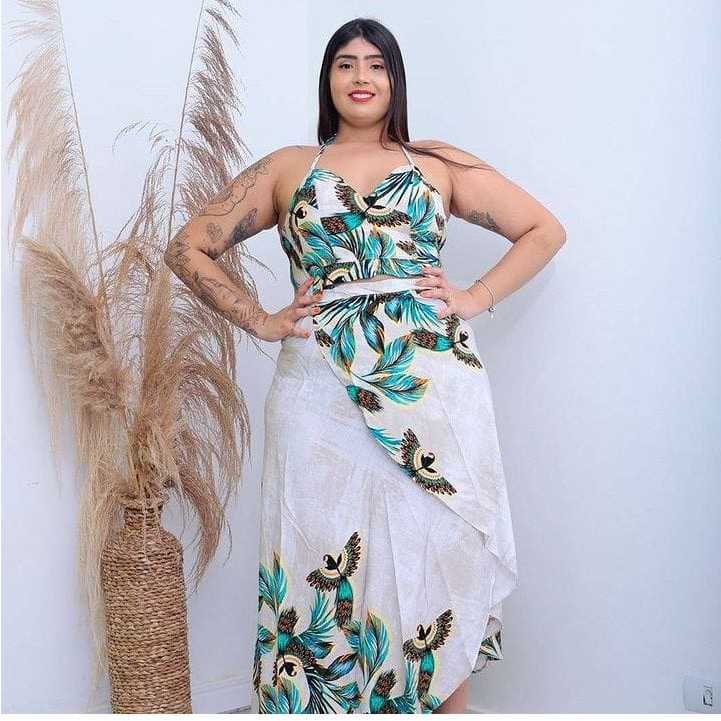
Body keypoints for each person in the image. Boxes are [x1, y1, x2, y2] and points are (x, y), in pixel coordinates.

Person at [164, 17, 565, 715]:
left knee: (436, 553)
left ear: (394, 79)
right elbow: (187, 246)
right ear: (327, 79)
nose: (360, 76)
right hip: (317, 387)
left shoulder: (437, 163)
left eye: (375, 64)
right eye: (345, 63)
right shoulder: (289, 167)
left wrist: (475, 297)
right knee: (317, 554)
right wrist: (260, 318)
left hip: (431, 387)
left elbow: (543, 229)